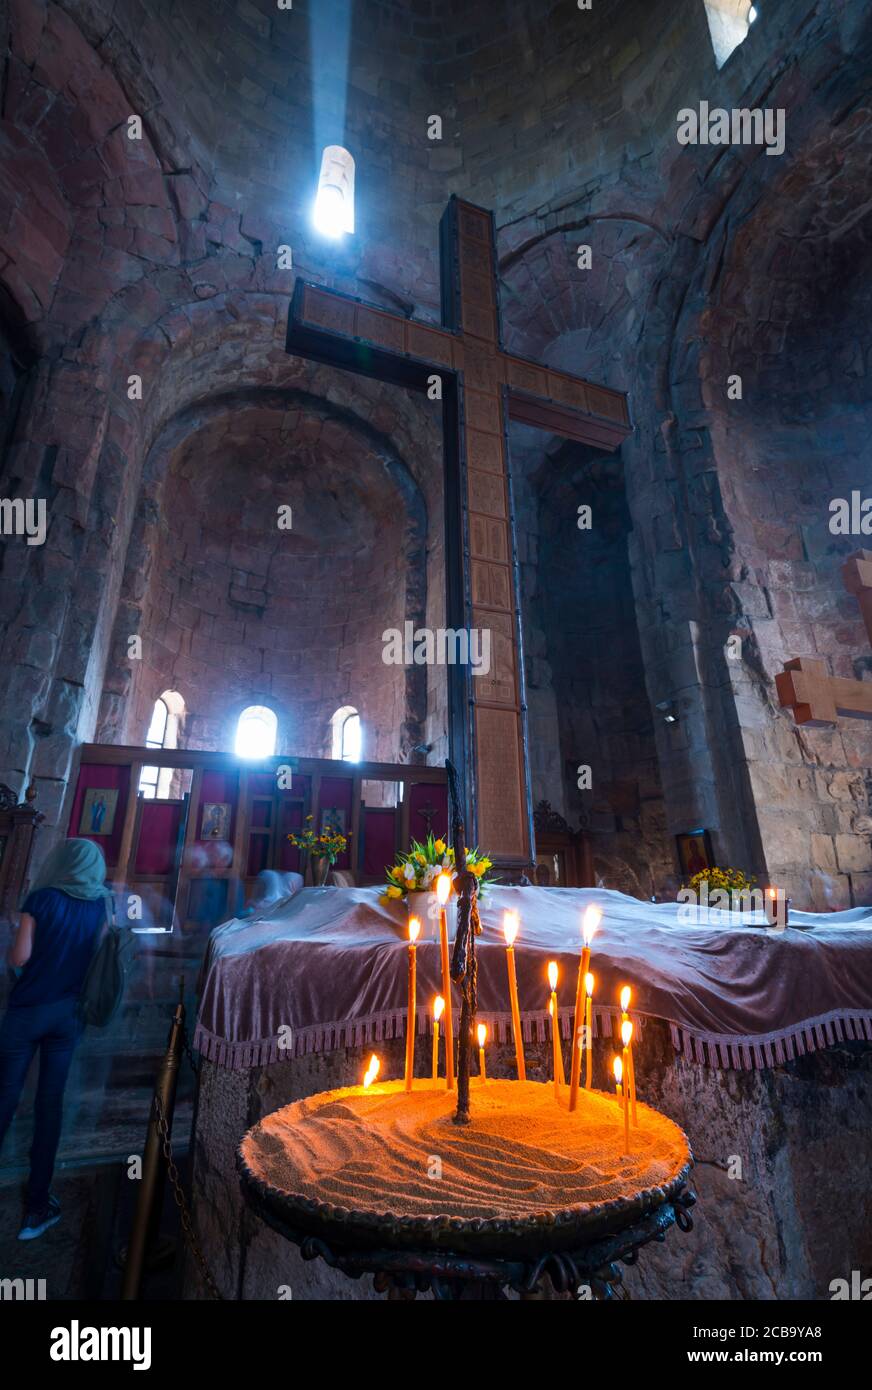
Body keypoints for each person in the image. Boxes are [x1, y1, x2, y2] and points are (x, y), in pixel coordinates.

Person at [0, 838, 113, 1240]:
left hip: (27, 1009)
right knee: (50, 1105)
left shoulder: (42, 899)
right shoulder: (102, 903)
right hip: (67, 1015)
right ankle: (36, 1208)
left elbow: (19, 958)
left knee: (5, 1097)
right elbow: (99, 958)